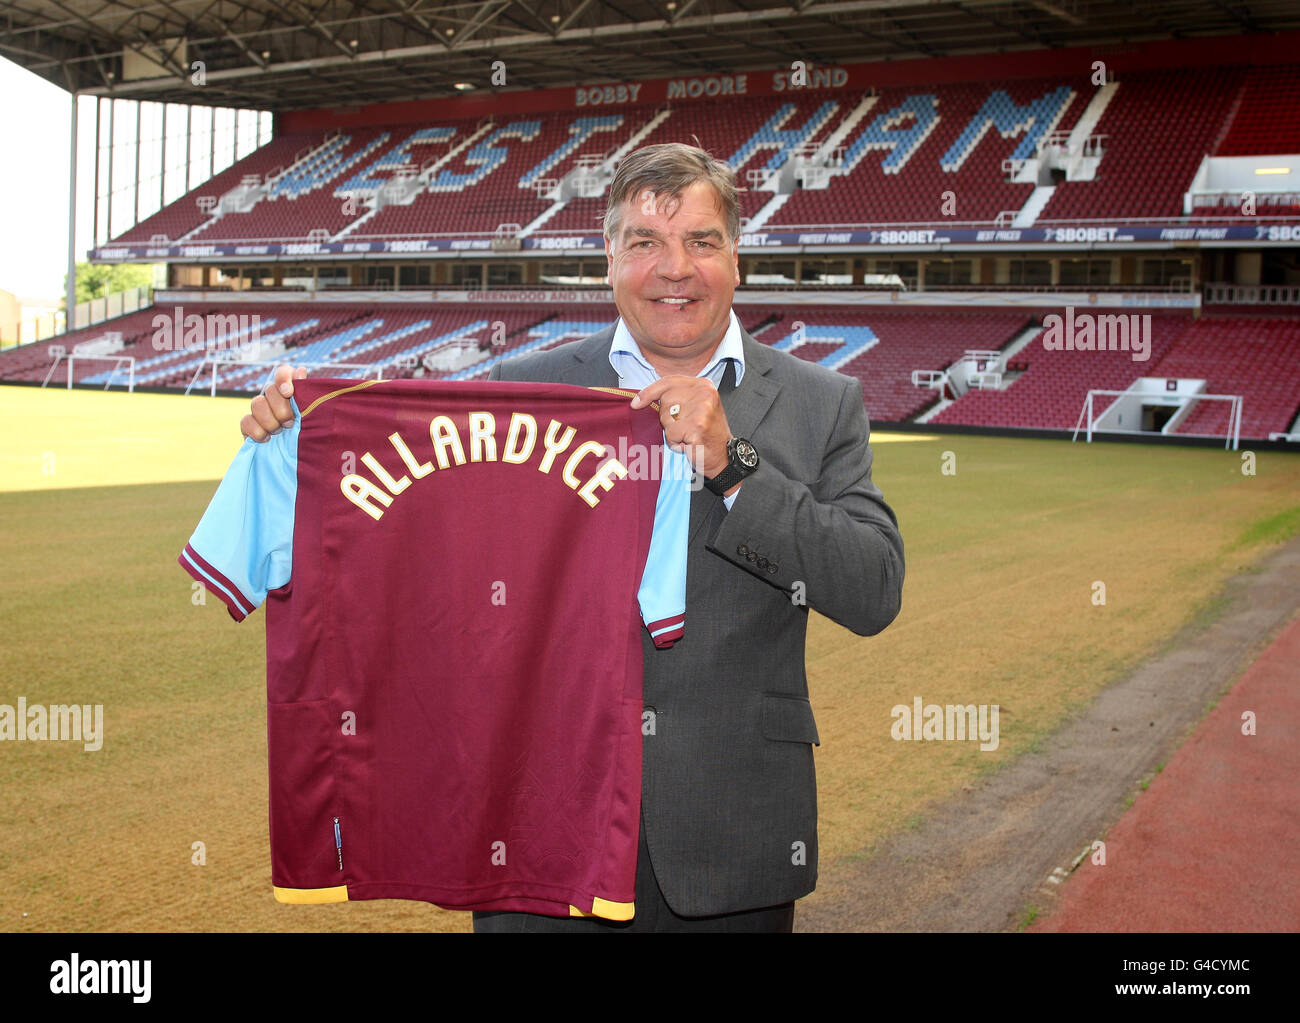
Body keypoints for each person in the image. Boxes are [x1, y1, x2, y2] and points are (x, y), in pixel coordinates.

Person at [240, 143, 904, 932]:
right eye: (645, 242)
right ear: (609, 260)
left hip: (732, 834)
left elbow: (872, 588)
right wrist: (304, 446)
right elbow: (419, 558)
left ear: (737, 257)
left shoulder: (822, 403)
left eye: (701, 240)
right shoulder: (520, 393)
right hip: (530, 832)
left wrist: (734, 465)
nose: (674, 268)